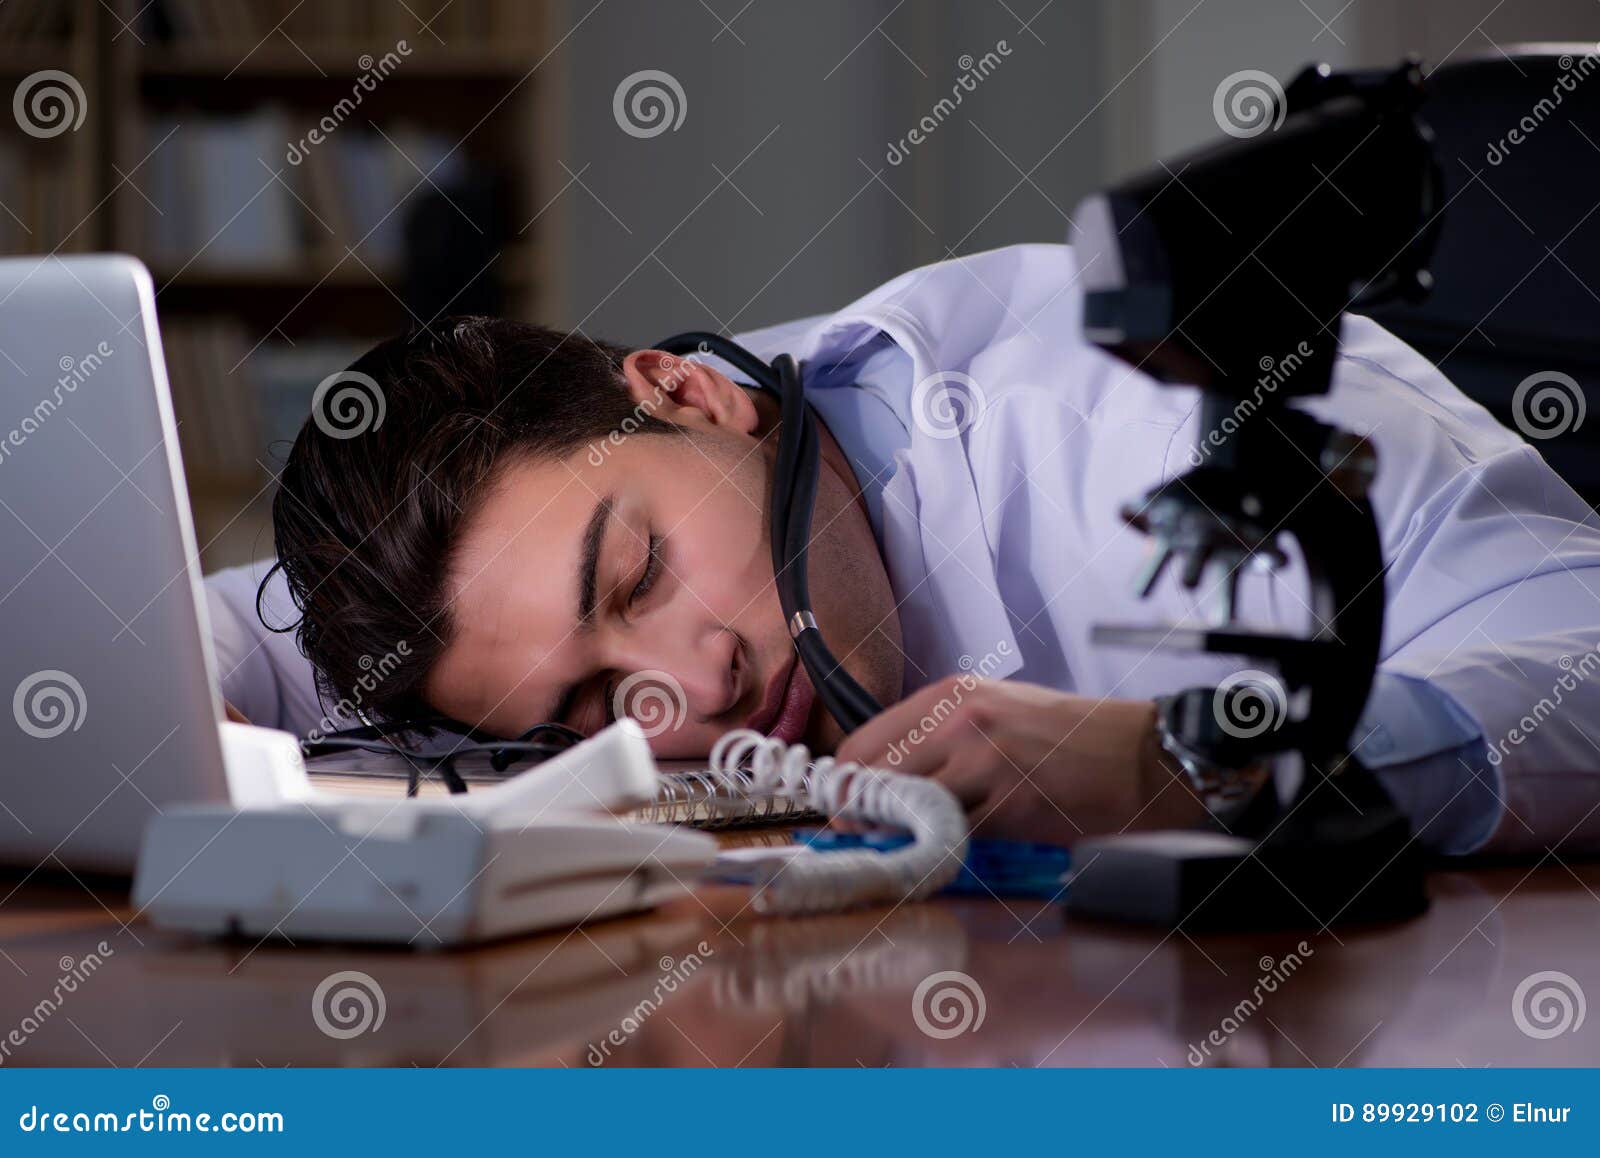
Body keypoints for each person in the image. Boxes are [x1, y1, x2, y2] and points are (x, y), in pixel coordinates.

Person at [206, 244, 1600, 856]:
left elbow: (1574, 658)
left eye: (638, 577)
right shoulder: (539, 567)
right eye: (579, 704)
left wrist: (1169, 760)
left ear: (695, 394)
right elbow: (219, 636)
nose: (687, 694)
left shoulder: (1173, 411)